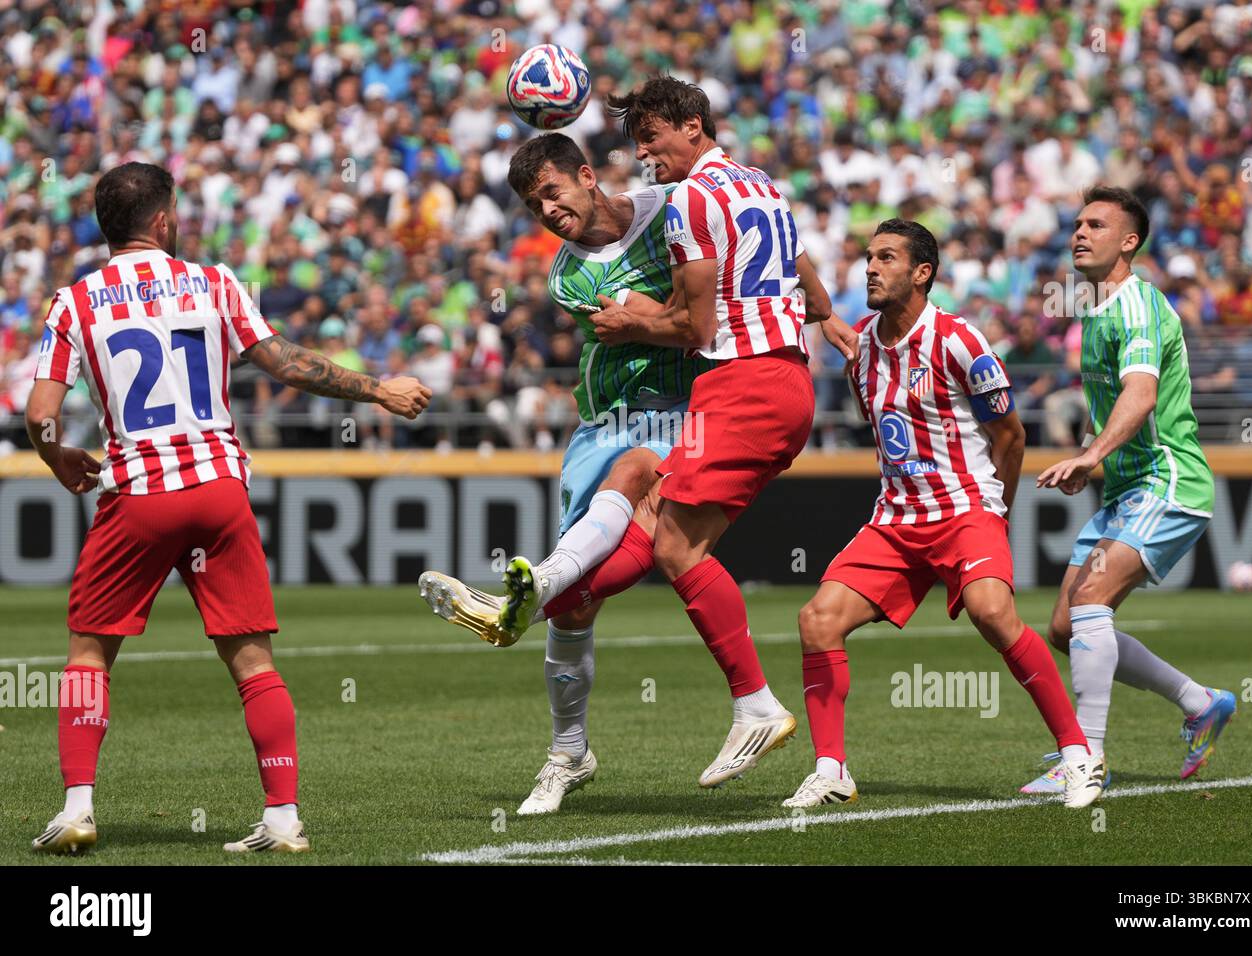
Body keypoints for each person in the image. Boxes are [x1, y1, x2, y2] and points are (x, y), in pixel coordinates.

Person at [26, 162, 430, 854]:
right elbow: (283, 362)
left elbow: (41, 416)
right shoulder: (214, 283)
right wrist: (378, 390)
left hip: (140, 492)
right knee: (252, 660)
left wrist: (58, 456)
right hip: (218, 488)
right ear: (161, 220)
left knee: (90, 653)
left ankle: (79, 809)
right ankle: (282, 818)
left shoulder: (76, 302)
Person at [504, 75, 857, 789]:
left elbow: (693, 329)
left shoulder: (687, 200)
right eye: (636, 143)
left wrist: (636, 318)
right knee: (644, 517)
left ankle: (753, 703)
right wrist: (823, 315)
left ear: (693, 125)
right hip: (758, 384)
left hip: (737, 382)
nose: (644, 154)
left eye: (652, 138)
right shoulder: (758, 182)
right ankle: (553, 590)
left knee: (673, 542)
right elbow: (792, 264)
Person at [417, 132, 712, 814]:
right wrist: (653, 317)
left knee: (630, 490)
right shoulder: (568, 275)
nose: (546, 210)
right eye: (532, 204)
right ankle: (569, 750)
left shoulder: (671, 209)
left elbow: (687, 325)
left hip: (679, 417)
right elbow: (653, 323)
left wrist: (653, 318)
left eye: (552, 191)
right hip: (602, 424)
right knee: (574, 610)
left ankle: (537, 584)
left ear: (587, 176)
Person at [786, 220, 1103, 810]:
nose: (871, 268)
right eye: (868, 257)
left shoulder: (960, 341)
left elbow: (1009, 438)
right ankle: (832, 768)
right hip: (896, 520)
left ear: (922, 273)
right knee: (817, 621)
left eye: (887, 258)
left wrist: (995, 511)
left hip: (964, 510)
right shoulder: (861, 350)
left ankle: (1079, 754)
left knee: (992, 613)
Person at [1025, 186, 1234, 796]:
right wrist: (1096, 462)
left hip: (1168, 479)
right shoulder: (1094, 310)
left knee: (1090, 602)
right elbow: (1118, 404)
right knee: (1065, 626)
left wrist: (1090, 454)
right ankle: (1201, 703)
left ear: (1129, 241)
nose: (1078, 233)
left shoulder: (1139, 304)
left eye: (1096, 224)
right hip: (1127, 487)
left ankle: (1087, 758)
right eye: (1076, 223)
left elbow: (1141, 396)